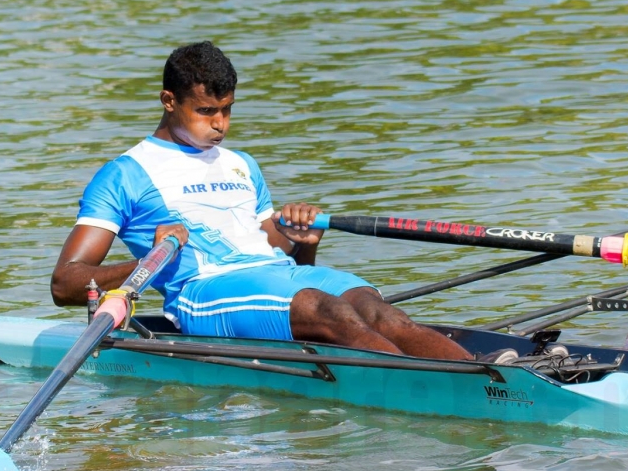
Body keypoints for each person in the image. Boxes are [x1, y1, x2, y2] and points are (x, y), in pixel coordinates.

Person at [51, 41, 472, 361]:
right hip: (205, 291)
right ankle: (433, 387)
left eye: (227, 110)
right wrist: (151, 262)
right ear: (169, 101)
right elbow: (64, 283)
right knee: (327, 310)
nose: (220, 125)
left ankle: (485, 380)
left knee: (379, 312)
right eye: (206, 111)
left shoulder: (241, 164)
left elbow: (281, 257)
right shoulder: (124, 174)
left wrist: (304, 241)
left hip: (274, 277)